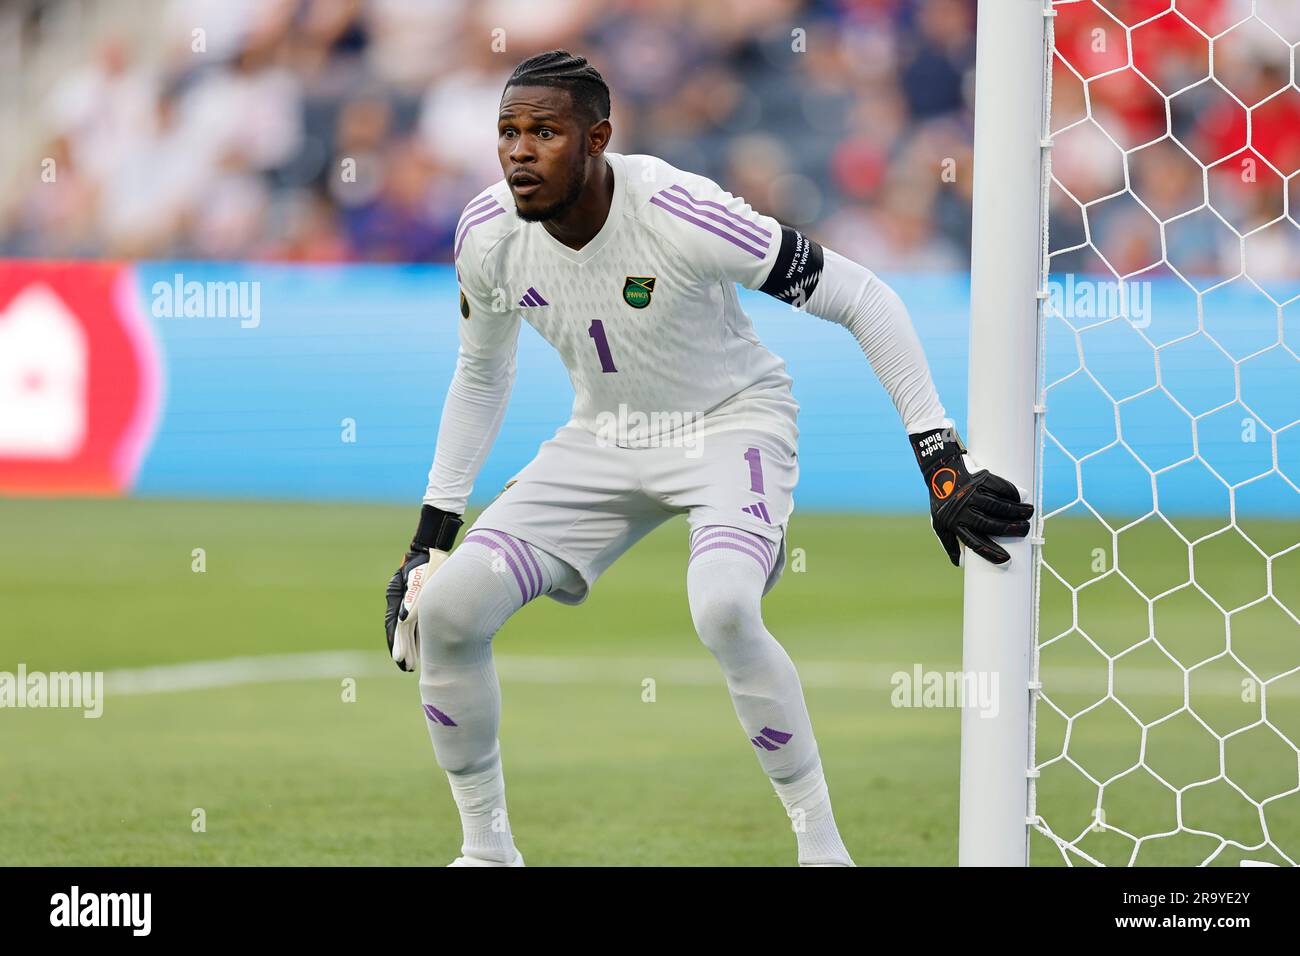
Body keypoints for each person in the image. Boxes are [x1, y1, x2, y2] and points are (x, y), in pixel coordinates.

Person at [383, 50, 1033, 866]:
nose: (519, 151)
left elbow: (863, 297)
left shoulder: (681, 212)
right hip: (604, 438)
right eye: (508, 132)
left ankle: (823, 848)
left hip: (730, 424)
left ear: (597, 140)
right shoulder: (486, 236)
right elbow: (482, 373)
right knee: (444, 614)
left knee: (723, 606)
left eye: (544, 132)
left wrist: (943, 463)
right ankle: (487, 853)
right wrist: (431, 537)